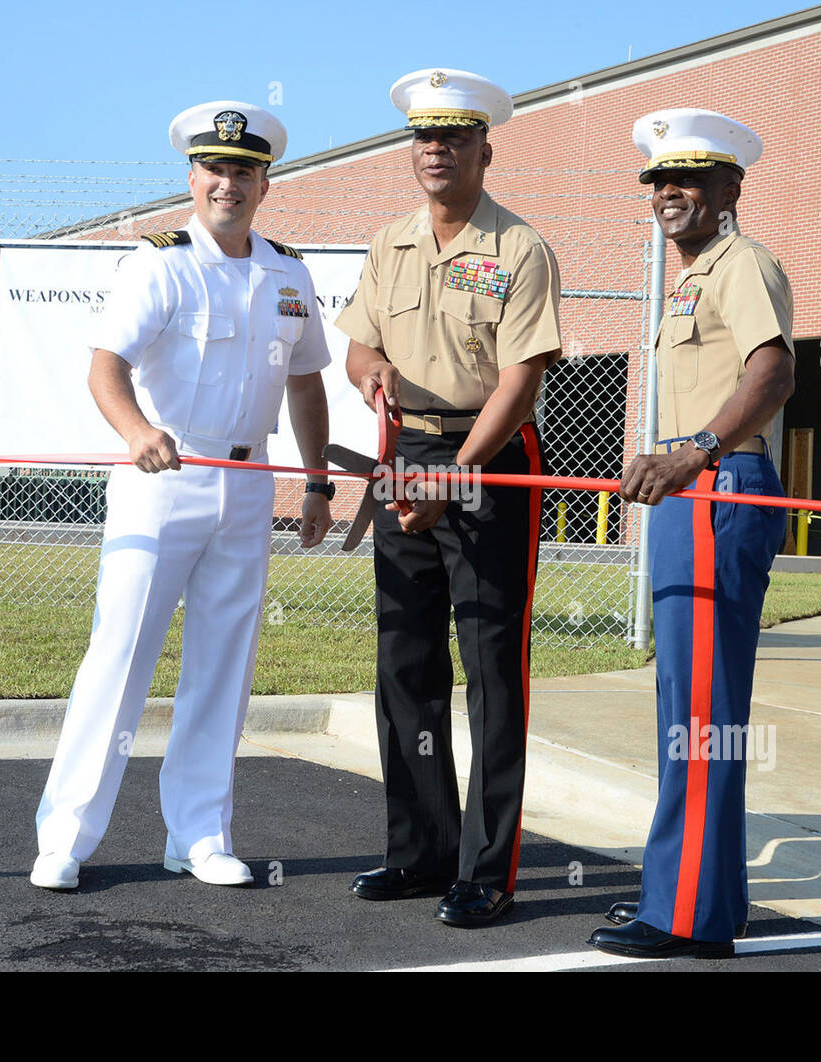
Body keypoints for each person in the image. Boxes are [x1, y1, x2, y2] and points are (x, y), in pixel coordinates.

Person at [31, 101, 334, 891]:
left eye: (243, 170)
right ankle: (64, 836)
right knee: (120, 656)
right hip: (161, 479)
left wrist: (315, 484)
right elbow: (107, 368)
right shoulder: (157, 263)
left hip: (248, 483)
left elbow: (305, 384)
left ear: (266, 182)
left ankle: (200, 835)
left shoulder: (288, 272)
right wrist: (135, 432)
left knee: (223, 667)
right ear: (193, 178)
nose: (227, 183)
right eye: (214, 169)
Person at [336, 68, 562, 927]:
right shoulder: (390, 241)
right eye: (424, 138)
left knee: (490, 668)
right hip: (406, 450)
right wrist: (373, 372)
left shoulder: (519, 249)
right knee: (406, 660)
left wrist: (455, 474)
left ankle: (488, 869)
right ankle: (421, 852)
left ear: (484, 150)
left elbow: (522, 380)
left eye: (454, 137)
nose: (436, 150)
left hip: (489, 457)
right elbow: (359, 347)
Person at [588, 109, 795, 959]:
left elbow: (774, 369)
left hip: (718, 489)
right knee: (696, 708)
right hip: (696, 492)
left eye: (690, 179)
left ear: (731, 188)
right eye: (658, 181)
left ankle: (685, 915)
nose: (669, 193)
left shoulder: (741, 262)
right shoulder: (694, 273)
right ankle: (713, 903)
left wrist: (694, 451)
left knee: (700, 714)